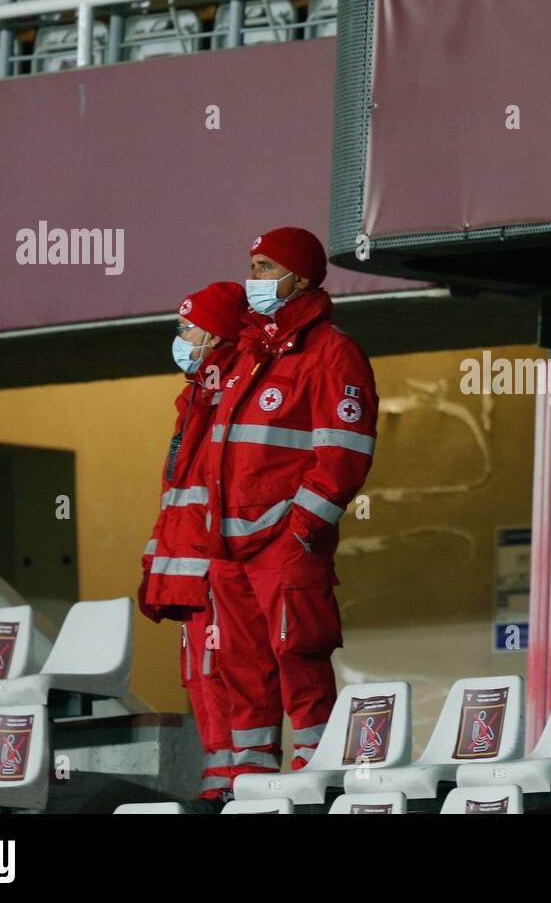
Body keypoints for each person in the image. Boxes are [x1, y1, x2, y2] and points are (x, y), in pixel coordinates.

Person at [204, 227, 378, 780]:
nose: (250, 278)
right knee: (242, 664)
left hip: (284, 543)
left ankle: (318, 771)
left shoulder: (332, 353)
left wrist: (301, 528)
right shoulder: (250, 353)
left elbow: (345, 451)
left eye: (261, 267)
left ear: (297, 277)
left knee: (297, 655)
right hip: (231, 548)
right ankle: (249, 777)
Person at [139, 281, 256, 809]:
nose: (180, 338)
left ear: (215, 334)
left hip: (216, 567)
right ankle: (219, 777)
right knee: (200, 678)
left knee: (229, 673)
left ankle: (242, 779)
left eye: (188, 328)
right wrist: (156, 562)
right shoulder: (196, 399)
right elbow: (177, 496)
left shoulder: (231, 395)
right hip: (187, 569)